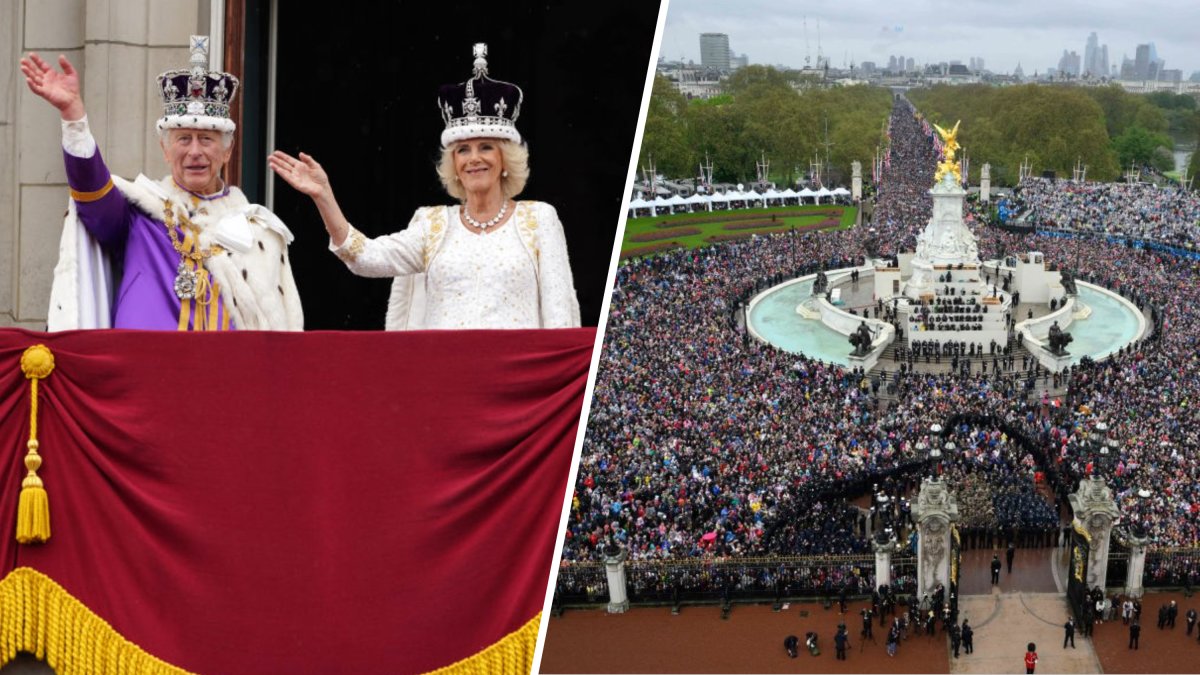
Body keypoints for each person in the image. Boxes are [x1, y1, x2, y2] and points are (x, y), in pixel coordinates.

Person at [270, 43, 579, 330]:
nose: (474, 159)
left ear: (505, 159)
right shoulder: (432, 225)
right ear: (454, 165)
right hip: (445, 378)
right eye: (463, 150)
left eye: (486, 147)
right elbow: (364, 257)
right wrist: (324, 196)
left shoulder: (539, 219)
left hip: (518, 380)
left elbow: (560, 316)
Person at [21, 37, 303, 331]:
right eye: (183, 139)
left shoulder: (259, 232)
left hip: (227, 374)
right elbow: (92, 196)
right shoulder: (139, 214)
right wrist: (74, 118)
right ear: (165, 150)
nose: (195, 151)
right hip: (144, 371)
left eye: (206, 139)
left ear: (227, 151)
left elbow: (280, 335)